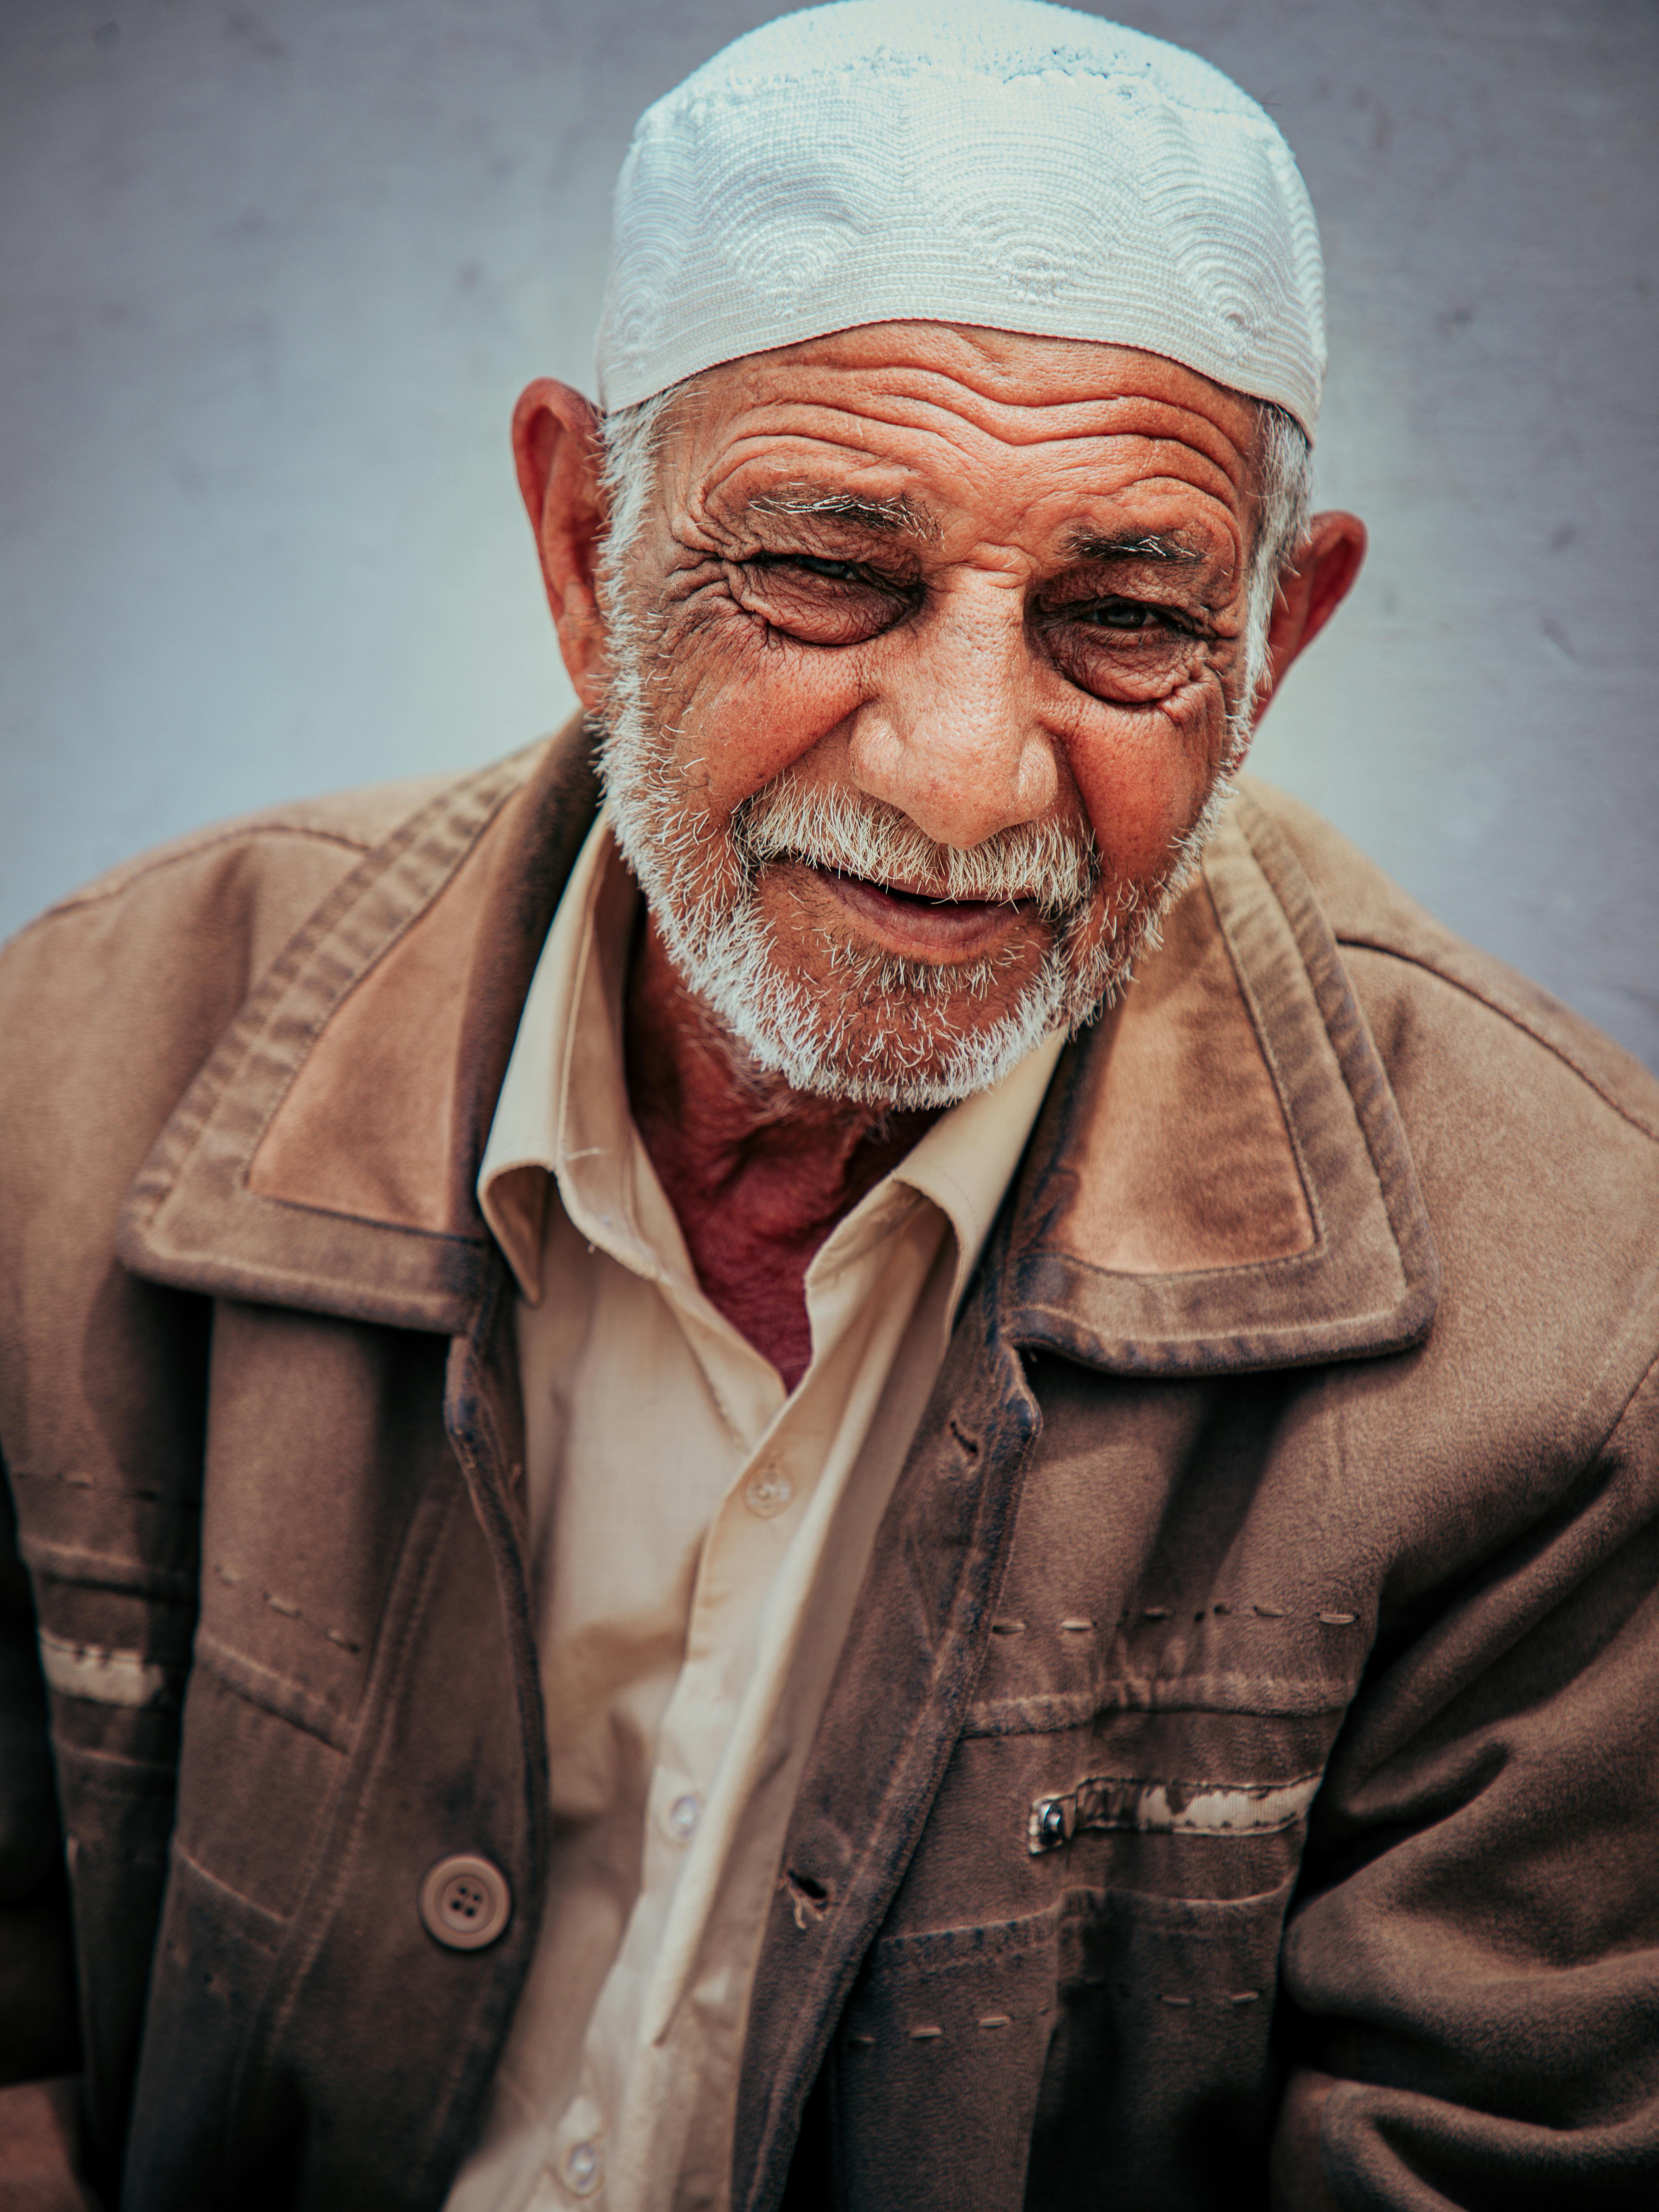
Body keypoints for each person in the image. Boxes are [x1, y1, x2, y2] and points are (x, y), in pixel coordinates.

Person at [1, 2, 1656, 2206]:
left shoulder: (1575, 1331)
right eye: (825, 569)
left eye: (1128, 614)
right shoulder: (63, 1080)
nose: (960, 770)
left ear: (1277, 642)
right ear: (588, 548)